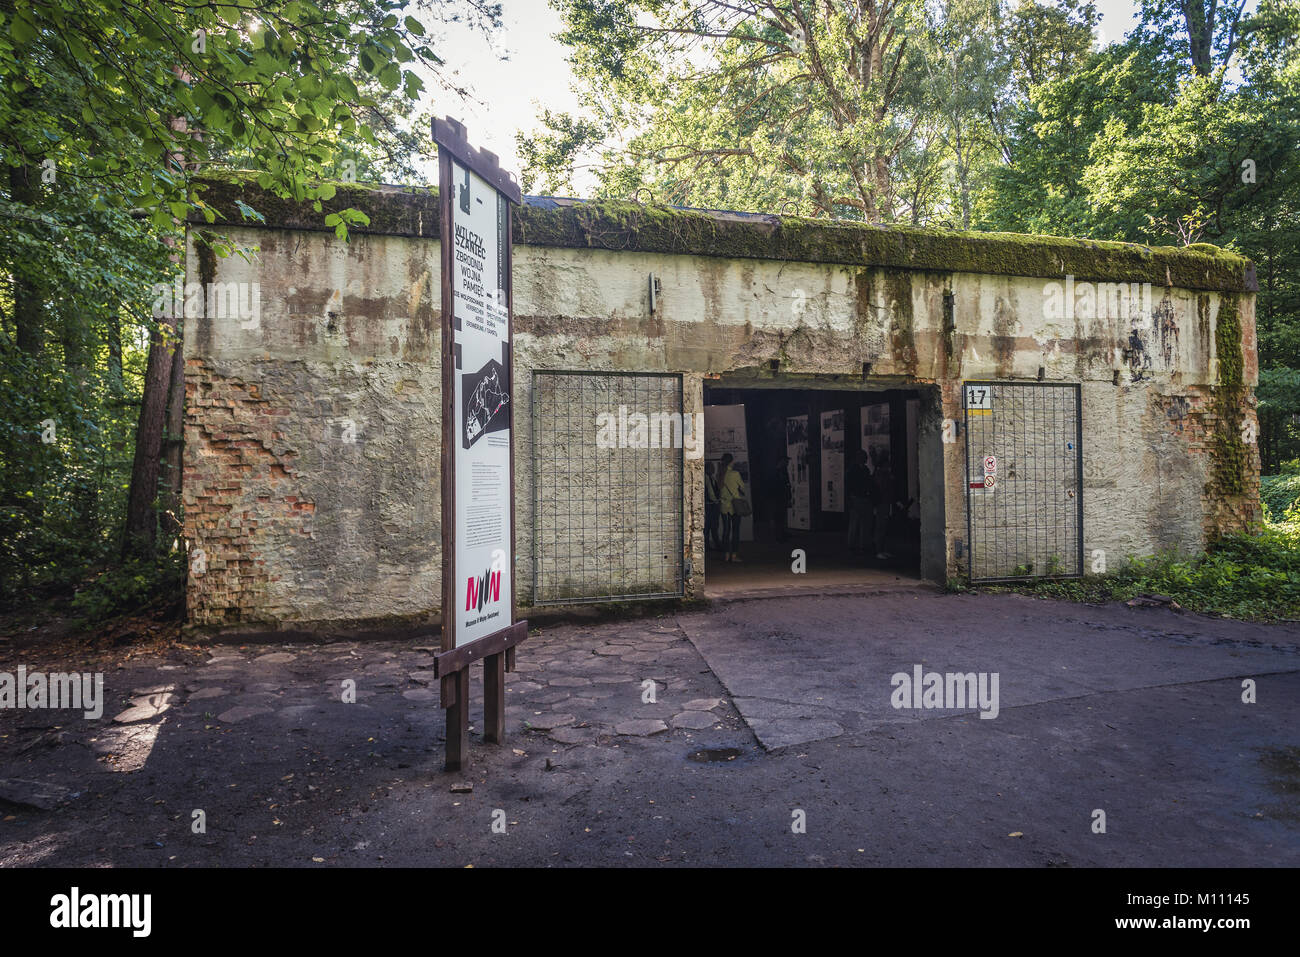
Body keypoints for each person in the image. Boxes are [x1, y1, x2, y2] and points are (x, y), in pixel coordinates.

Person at [717, 452, 749, 563]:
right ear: (731, 462)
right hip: (735, 506)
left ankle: (726, 555)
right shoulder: (735, 474)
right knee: (735, 531)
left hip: (724, 507)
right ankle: (734, 555)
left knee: (726, 531)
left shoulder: (720, 474)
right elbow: (743, 488)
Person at [845, 450, 872, 553]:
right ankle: (856, 544)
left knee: (859, 522)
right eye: (864, 457)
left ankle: (860, 544)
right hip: (857, 497)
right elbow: (849, 486)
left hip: (860, 497)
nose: (866, 459)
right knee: (857, 522)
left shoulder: (858, 469)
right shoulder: (858, 470)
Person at [871, 455, 895, 561]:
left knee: (883, 526)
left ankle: (882, 549)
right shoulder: (881, 475)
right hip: (882, 503)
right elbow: (882, 489)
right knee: (880, 526)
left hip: (884, 502)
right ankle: (878, 550)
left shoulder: (881, 474)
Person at [765, 456, 792, 542]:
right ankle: (779, 536)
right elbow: (775, 486)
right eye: (786, 461)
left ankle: (781, 533)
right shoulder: (776, 472)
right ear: (781, 461)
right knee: (778, 517)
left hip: (781, 497)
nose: (787, 463)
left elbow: (786, 485)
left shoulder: (782, 471)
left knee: (781, 516)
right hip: (777, 498)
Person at [704, 461, 723, 551]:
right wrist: (717, 501)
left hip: (711, 505)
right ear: (707, 469)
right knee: (709, 526)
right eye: (712, 468)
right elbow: (711, 492)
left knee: (712, 526)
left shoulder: (711, 478)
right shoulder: (707, 478)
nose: (713, 469)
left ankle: (714, 545)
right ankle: (711, 546)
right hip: (710, 506)